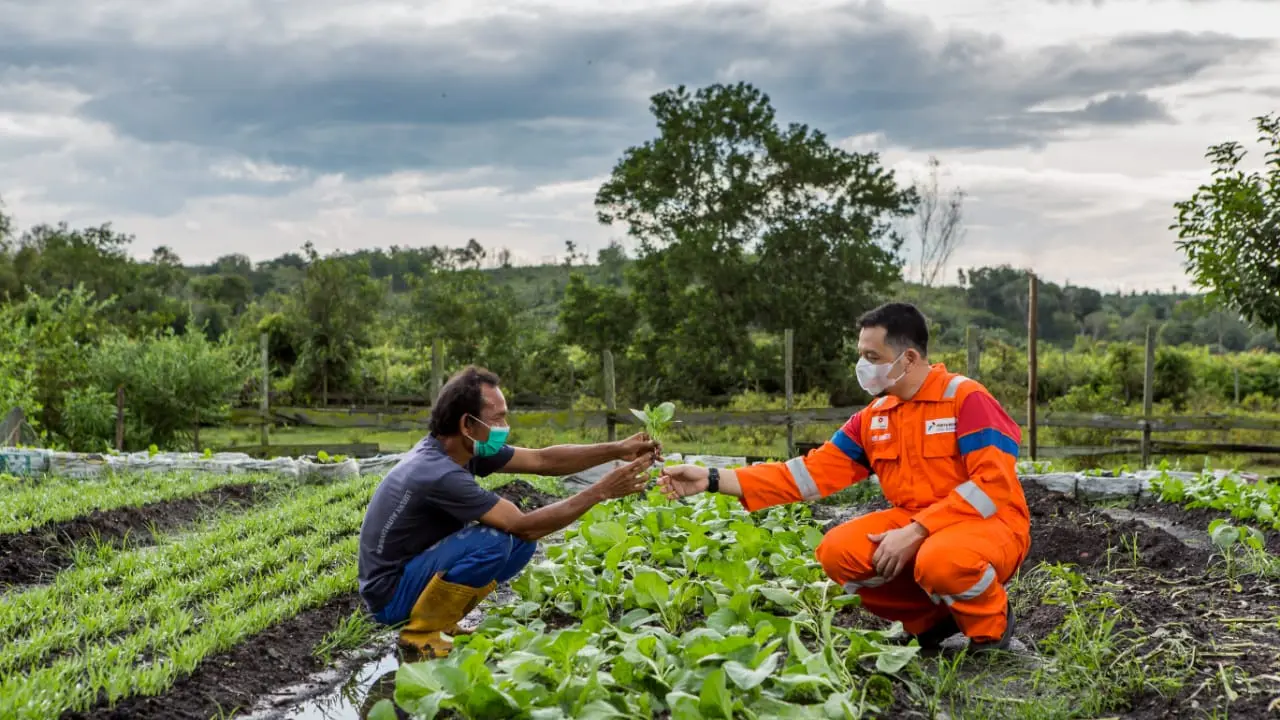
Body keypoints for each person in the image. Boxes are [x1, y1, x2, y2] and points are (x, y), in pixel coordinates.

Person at [659, 302, 1030, 653]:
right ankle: (932, 621)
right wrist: (710, 478)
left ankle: (990, 629)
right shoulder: (874, 417)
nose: (862, 366)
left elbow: (991, 486)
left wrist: (917, 531)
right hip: (916, 524)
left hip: (988, 522)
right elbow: (806, 474)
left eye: (873, 358)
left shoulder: (966, 398)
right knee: (838, 552)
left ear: (910, 358)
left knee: (940, 560)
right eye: (861, 355)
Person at [358, 365, 660, 657]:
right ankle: (420, 633)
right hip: (390, 596)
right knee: (497, 539)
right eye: (498, 419)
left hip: (411, 573)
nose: (504, 428)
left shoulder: (461, 449)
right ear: (467, 424)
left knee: (519, 545)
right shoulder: (438, 472)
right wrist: (602, 490)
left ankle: (441, 620)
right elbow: (524, 524)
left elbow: (543, 461)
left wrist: (618, 449)